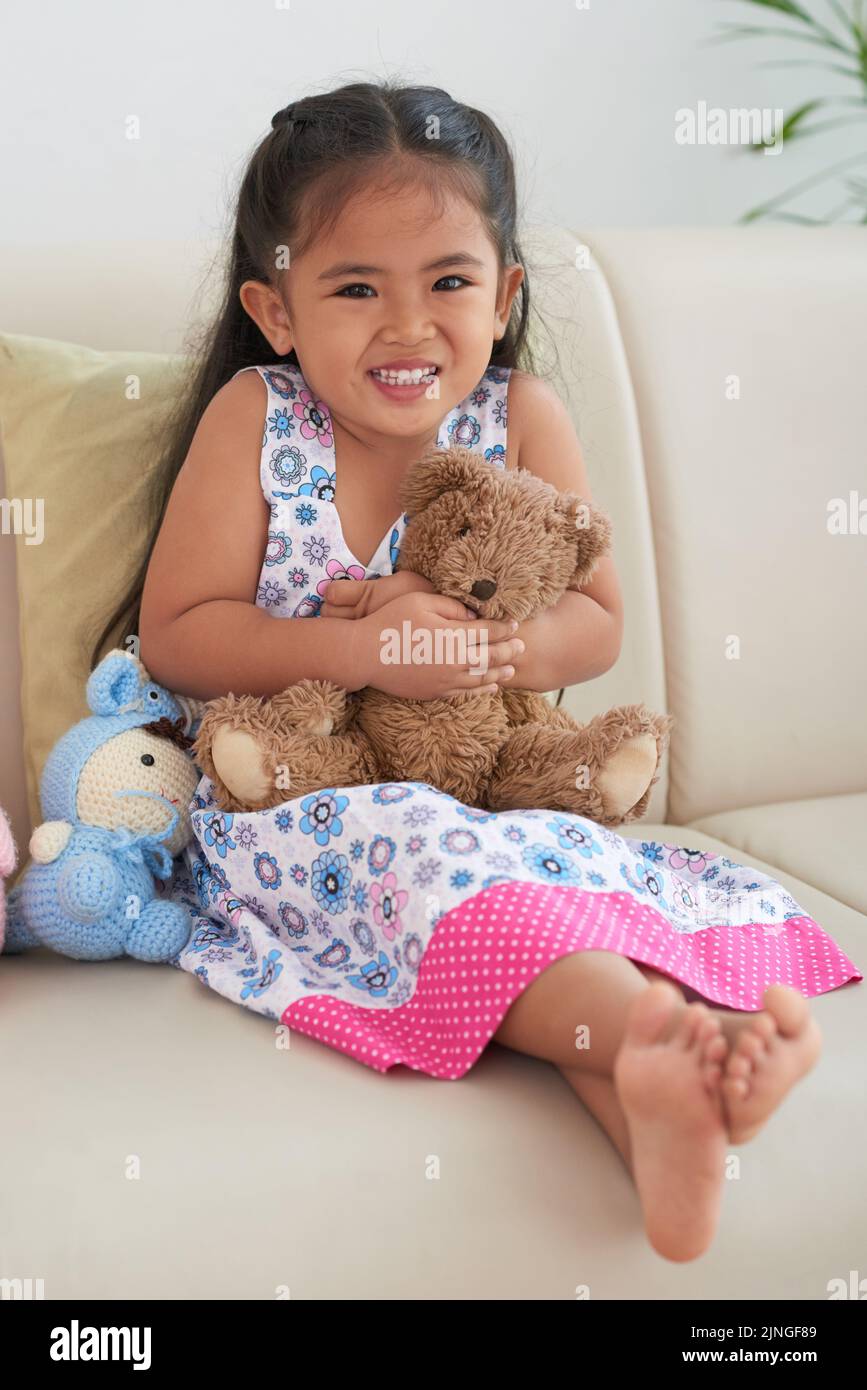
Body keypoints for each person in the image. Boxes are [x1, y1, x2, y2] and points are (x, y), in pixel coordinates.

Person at [95, 81, 853, 1263]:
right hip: (313, 806)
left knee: (546, 880)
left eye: (449, 282)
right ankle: (654, 1052)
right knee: (450, 867)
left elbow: (597, 621)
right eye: (356, 289)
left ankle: (663, 1106)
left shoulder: (523, 418)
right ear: (277, 308)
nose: (409, 327)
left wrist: (515, 650)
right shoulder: (259, 417)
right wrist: (356, 649)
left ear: (503, 297)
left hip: (491, 787)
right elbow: (182, 631)